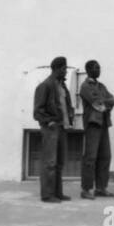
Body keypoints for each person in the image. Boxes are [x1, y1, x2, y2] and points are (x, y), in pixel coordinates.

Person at [78, 59, 114, 200]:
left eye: (99, 68)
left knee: (105, 156)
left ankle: (101, 188)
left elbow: (106, 101)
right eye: (96, 68)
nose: (99, 71)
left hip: (103, 123)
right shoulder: (85, 87)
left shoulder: (101, 86)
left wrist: (109, 103)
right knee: (90, 157)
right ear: (89, 70)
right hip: (93, 124)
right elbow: (98, 103)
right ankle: (86, 189)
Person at [33, 56, 74, 203]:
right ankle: (47, 195)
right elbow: (37, 111)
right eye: (64, 69)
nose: (66, 72)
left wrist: (70, 116)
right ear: (57, 69)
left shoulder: (62, 85)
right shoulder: (45, 85)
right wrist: (49, 122)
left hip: (62, 127)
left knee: (59, 163)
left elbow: (65, 105)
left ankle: (57, 193)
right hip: (51, 128)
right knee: (49, 163)